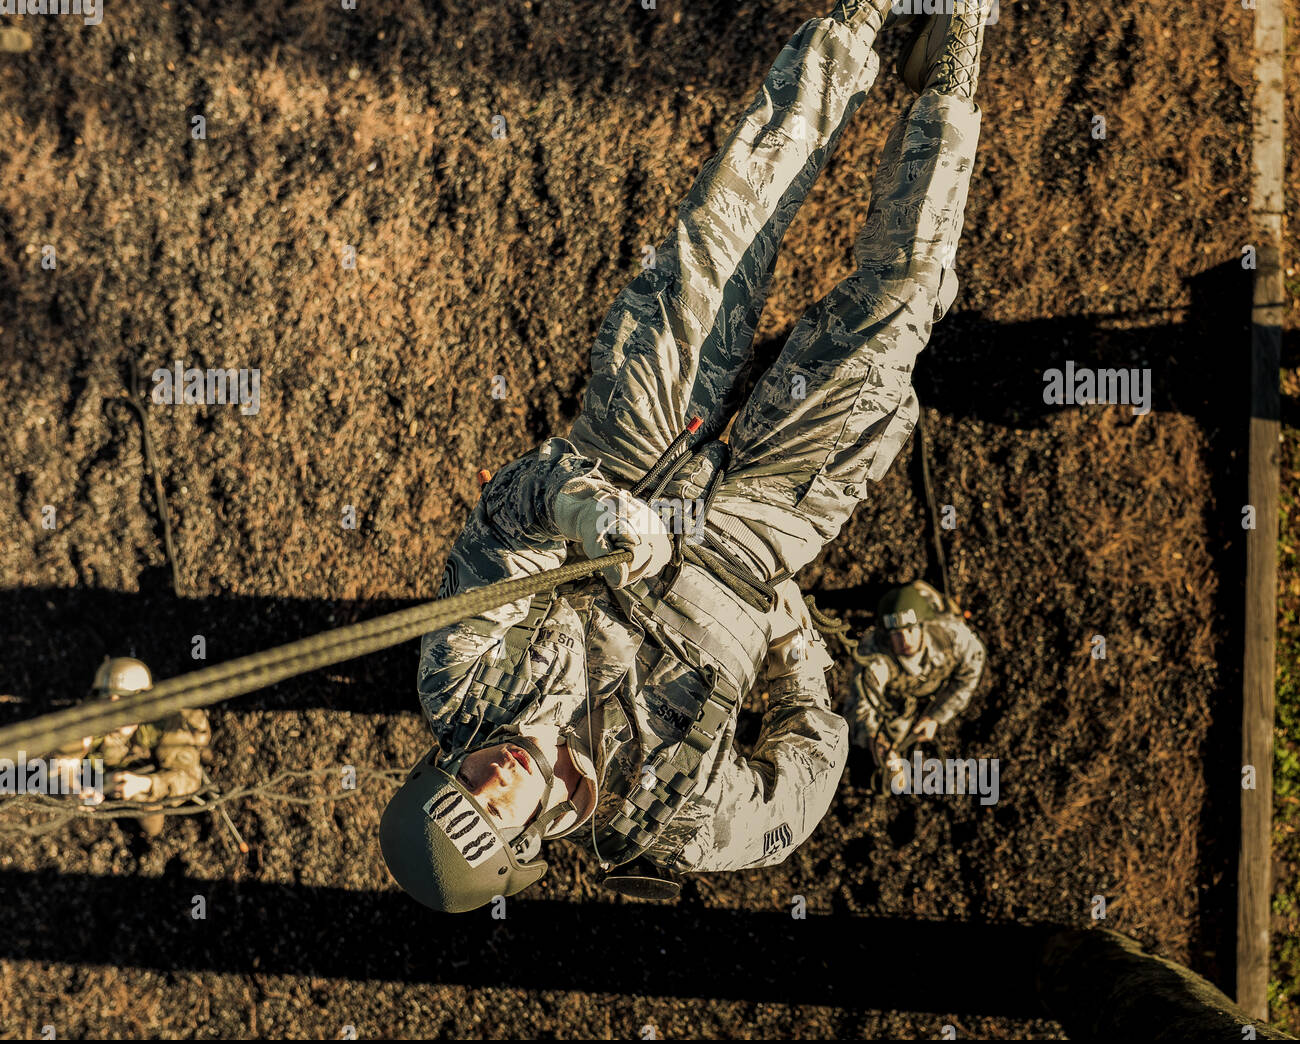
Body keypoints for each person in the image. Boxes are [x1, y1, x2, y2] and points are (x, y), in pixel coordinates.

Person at [381, 0, 994, 911]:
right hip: (759, 540)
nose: (489, 774)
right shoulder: (669, 824)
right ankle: (954, 66)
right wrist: (790, 638)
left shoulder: (460, 686)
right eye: (489, 808)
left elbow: (505, 515)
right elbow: (806, 778)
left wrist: (585, 512)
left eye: (458, 776)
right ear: (518, 848)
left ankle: (859, 26)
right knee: (896, 307)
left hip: (634, 454)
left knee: (723, 230)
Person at [844, 581, 986, 785]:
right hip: (898, 695)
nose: (905, 640)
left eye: (910, 630)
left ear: (922, 625)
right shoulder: (875, 656)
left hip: (933, 681)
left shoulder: (950, 635)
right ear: (887, 635)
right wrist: (874, 739)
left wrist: (935, 717)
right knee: (884, 744)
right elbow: (861, 703)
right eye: (897, 634)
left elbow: (971, 670)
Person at [48, 657, 209, 836]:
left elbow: (190, 778)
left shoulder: (166, 723)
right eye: (109, 704)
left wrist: (146, 784)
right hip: (100, 777)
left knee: (152, 825)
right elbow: (60, 764)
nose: (117, 715)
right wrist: (74, 790)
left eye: (125, 705)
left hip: (144, 776)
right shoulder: (84, 722)